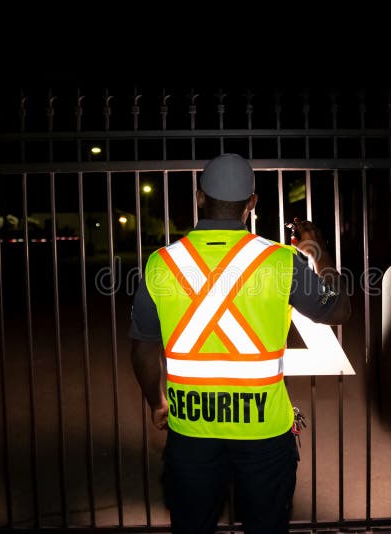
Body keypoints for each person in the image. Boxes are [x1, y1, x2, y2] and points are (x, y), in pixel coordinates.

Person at [129, 153, 351, 533]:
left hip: (191, 432)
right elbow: (338, 309)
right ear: (252, 203)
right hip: (265, 434)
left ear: (200, 198)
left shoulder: (161, 263)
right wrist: (319, 251)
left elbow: (143, 349)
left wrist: (157, 403)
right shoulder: (281, 261)